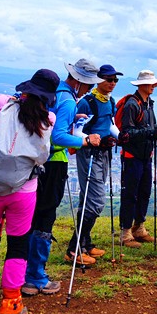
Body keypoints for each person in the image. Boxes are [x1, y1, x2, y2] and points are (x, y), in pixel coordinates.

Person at [0, 69, 59, 314]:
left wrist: (15, 98)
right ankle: (10, 302)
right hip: (23, 191)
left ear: (27, 90)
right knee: (17, 244)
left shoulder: (4, 106)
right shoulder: (48, 118)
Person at [22, 59, 102, 297]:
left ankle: (22, 273)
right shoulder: (67, 101)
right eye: (88, 85)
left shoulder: (52, 93)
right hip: (53, 164)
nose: (89, 90)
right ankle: (35, 275)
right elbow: (58, 138)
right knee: (45, 218)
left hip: (32, 162)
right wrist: (85, 140)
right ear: (79, 82)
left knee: (31, 217)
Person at [66, 63, 123, 262]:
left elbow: (111, 124)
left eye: (115, 80)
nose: (113, 83)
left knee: (87, 197)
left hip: (104, 153)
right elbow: (76, 132)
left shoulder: (110, 101)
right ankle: (74, 249)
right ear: (99, 80)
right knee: (96, 201)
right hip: (90, 154)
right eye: (109, 79)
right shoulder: (87, 102)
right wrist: (96, 139)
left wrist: (119, 137)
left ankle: (85, 244)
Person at [119, 70, 157, 249]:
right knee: (130, 193)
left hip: (146, 155)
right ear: (141, 86)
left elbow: (148, 126)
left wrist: (156, 130)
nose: (153, 86)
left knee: (144, 191)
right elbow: (126, 133)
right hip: (132, 156)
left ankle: (139, 227)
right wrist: (149, 132)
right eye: (150, 83)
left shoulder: (148, 104)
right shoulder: (133, 105)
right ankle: (125, 232)